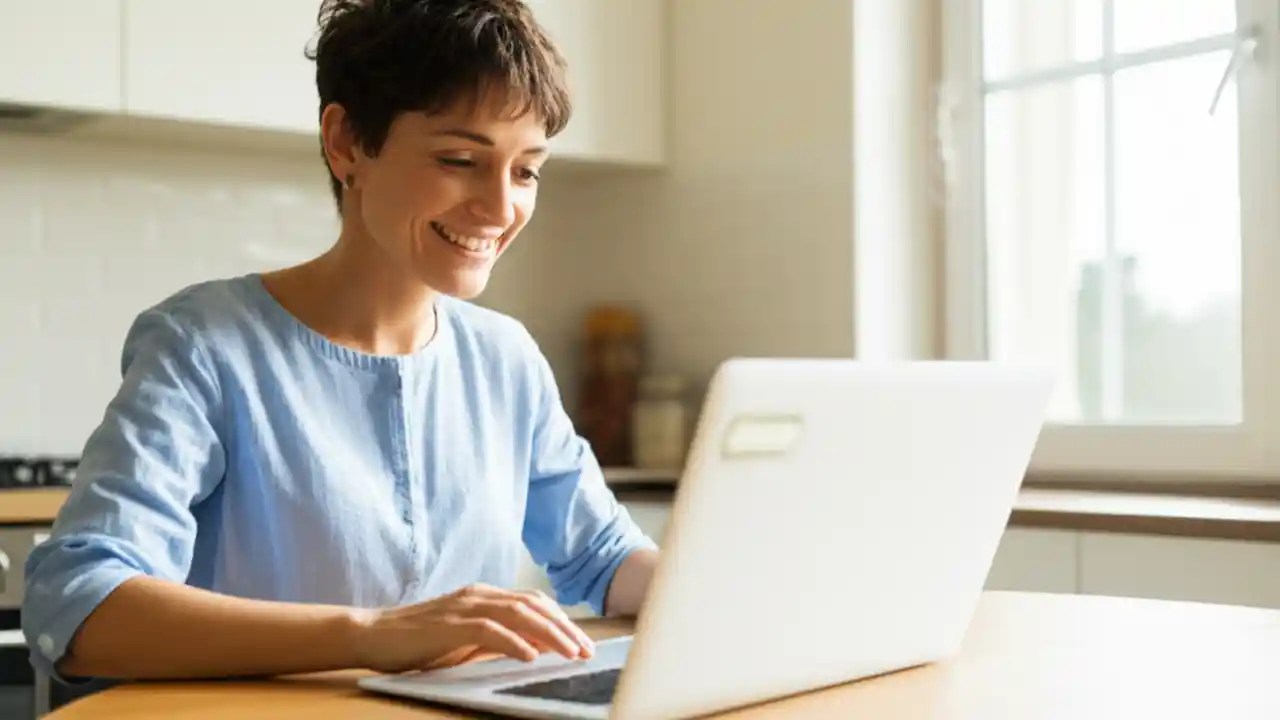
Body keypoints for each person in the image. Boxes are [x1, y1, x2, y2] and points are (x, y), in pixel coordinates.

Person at [21, 0, 659, 684]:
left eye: (527, 170)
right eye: (459, 159)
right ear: (346, 143)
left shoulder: (504, 359)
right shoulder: (205, 346)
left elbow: (604, 557)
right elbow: (79, 607)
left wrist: (760, 598)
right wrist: (370, 635)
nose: (502, 209)